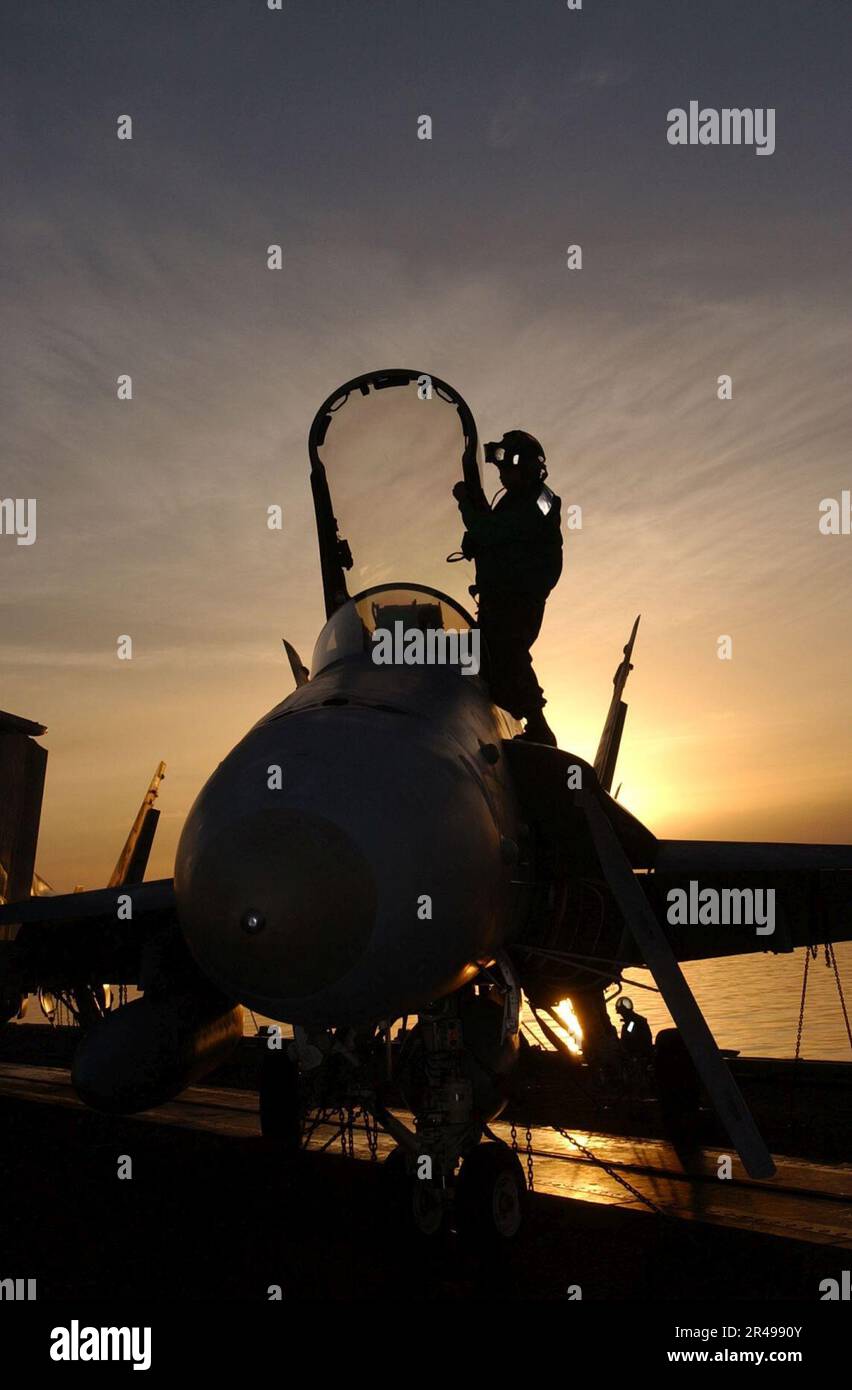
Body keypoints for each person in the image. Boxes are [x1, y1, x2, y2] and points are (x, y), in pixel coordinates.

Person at [453, 430, 562, 746]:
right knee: (491, 657)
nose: (502, 475)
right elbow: (495, 535)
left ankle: (539, 729)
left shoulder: (542, 502)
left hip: (518, 601)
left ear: (527, 468)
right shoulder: (515, 501)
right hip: (499, 598)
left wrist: (465, 505)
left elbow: (494, 531)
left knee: (508, 652)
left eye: (508, 468)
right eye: (500, 468)